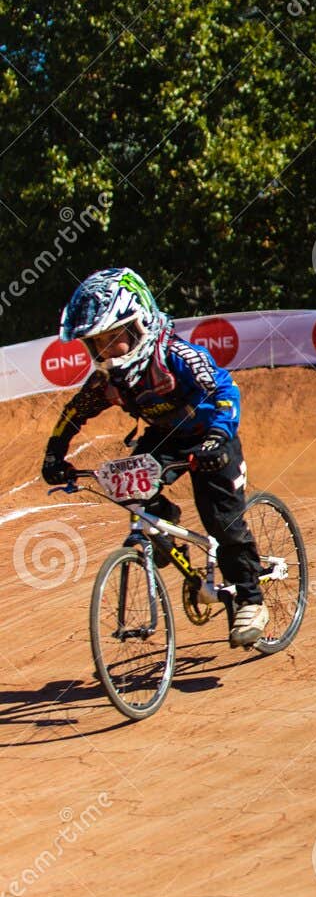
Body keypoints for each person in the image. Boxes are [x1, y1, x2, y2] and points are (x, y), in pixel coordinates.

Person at [40, 269, 269, 648]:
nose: (103, 351)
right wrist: (54, 454)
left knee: (222, 521)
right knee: (128, 486)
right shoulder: (110, 381)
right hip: (164, 439)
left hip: (212, 438)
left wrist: (216, 439)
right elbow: (74, 413)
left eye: (111, 339)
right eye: (94, 343)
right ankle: (165, 522)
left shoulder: (177, 355)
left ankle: (250, 599)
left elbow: (225, 389)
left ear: (140, 326)